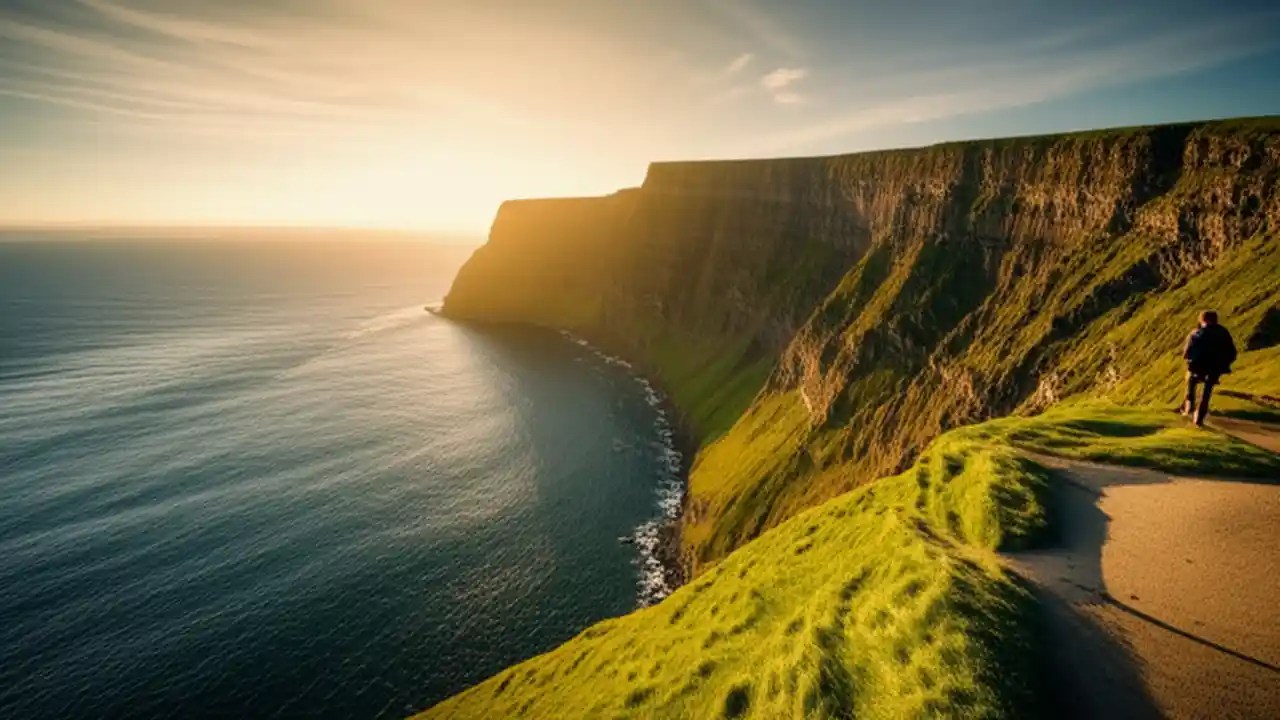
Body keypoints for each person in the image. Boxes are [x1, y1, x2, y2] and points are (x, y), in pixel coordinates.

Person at [1181, 310, 1238, 427]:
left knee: (1190, 380)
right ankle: (1199, 418)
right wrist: (1224, 364)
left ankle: (1189, 406)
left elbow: (1186, 353)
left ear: (1202, 319)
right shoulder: (1223, 332)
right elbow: (1232, 352)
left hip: (1197, 366)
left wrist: (1189, 360)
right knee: (1207, 392)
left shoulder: (1195, 332)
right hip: (1215, 367)